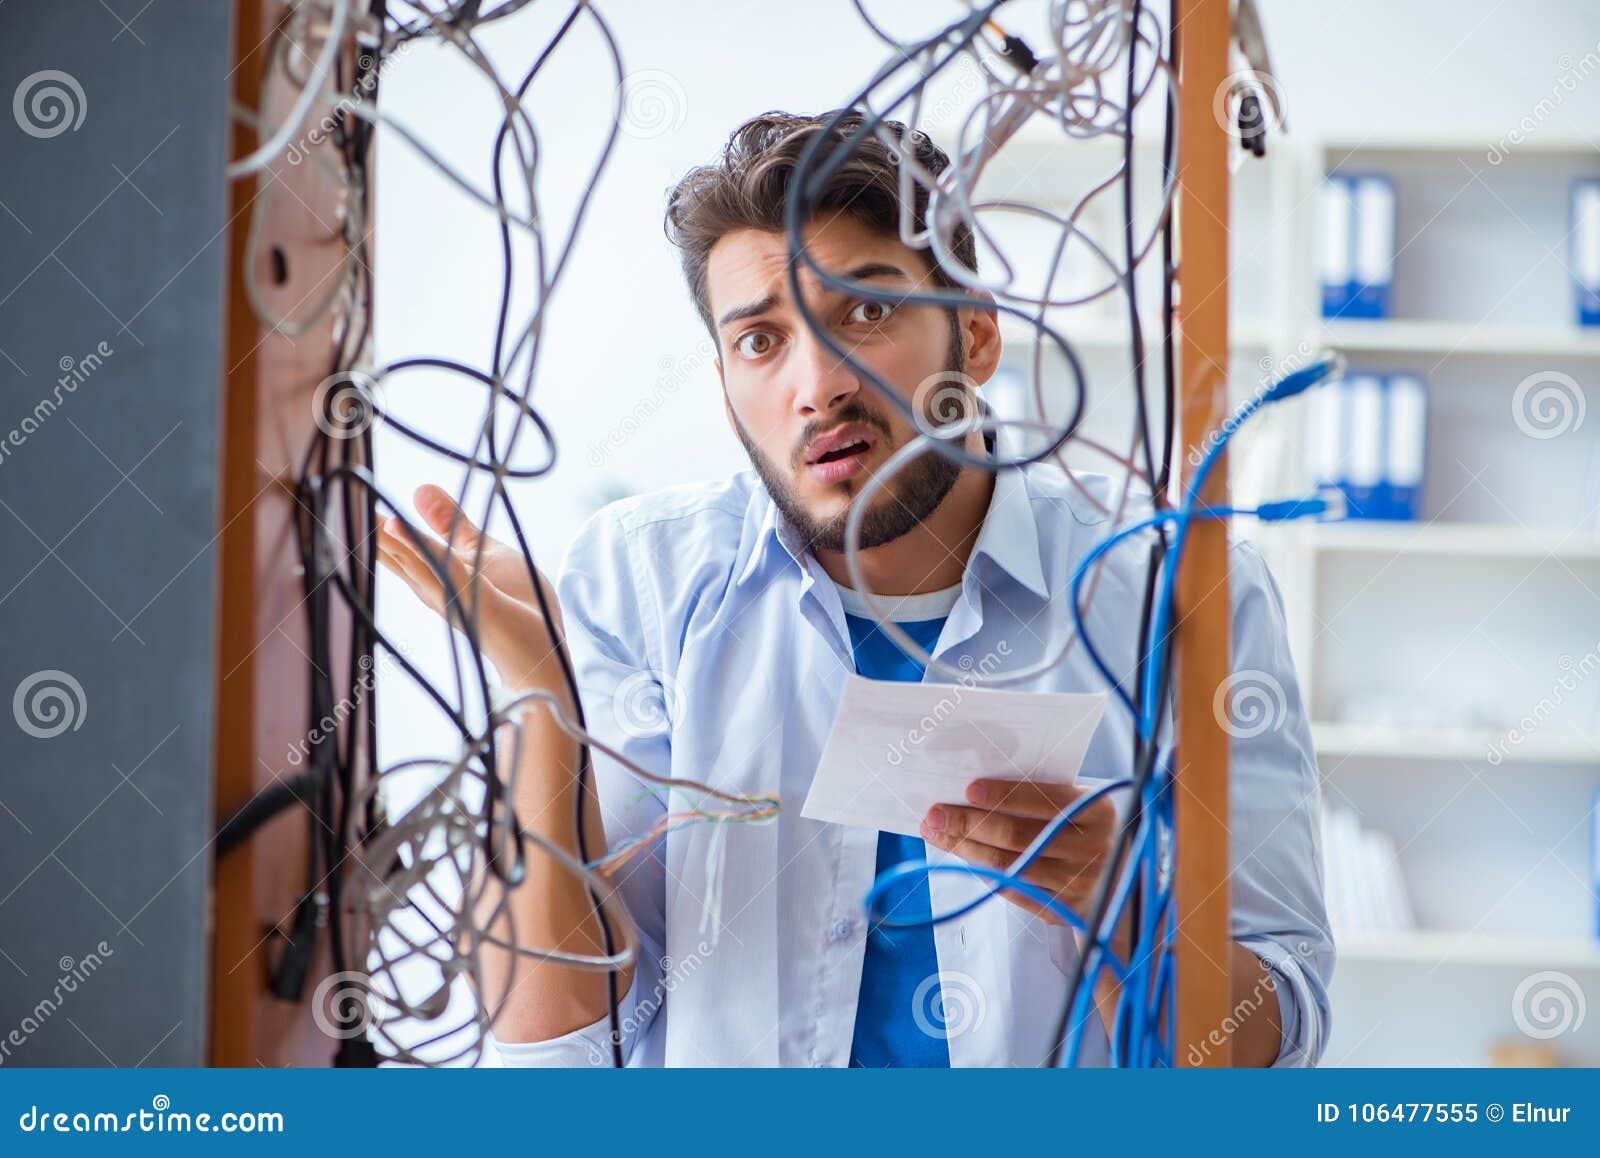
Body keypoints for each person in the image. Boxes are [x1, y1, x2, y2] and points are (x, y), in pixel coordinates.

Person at [377, 109, 1333, 1068]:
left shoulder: (1179, 588)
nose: (818, 385)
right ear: (725, 388)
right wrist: (541, 694)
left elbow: (1272, 1043)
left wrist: (1120, 912)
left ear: (976, 336)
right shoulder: (638, 581)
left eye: (866, 312)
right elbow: (557, 1048)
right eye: (761, 341)